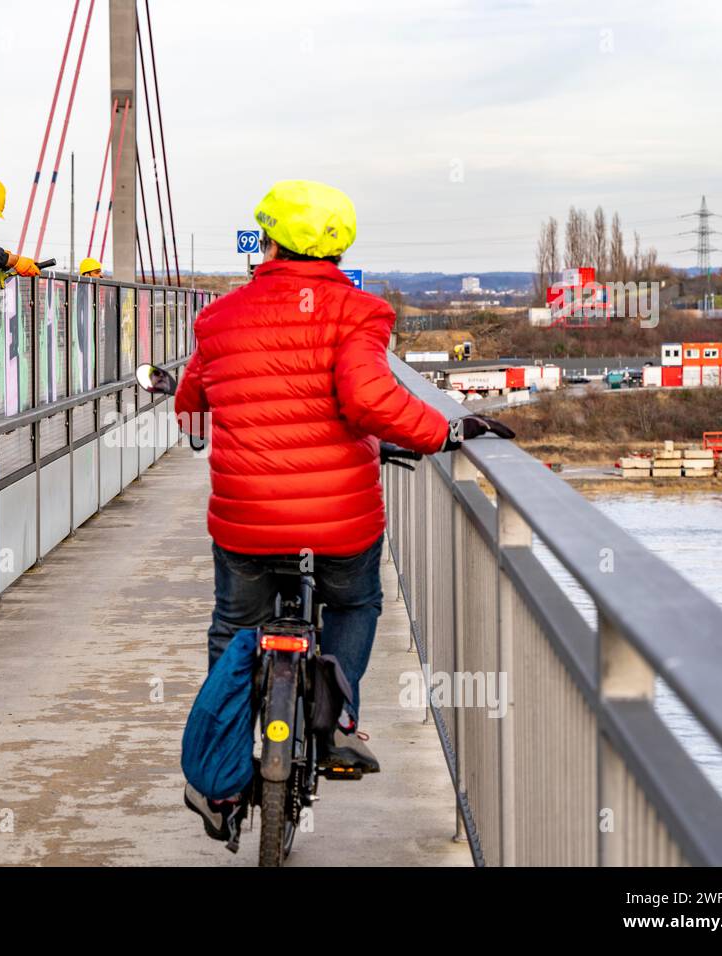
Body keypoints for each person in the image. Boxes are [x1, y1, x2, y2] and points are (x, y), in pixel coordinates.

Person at [173, 180, 512, 834]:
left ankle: (221, 770)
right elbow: (369, 402)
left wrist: (212, 418)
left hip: (245, 517)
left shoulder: (221, 317)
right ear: (337, 249)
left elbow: (193, 396)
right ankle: (337, 721)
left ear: (267, 242)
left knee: (231, 624)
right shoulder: (358, 312)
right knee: (356, 601)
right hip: (337, 523)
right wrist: (445, 430)